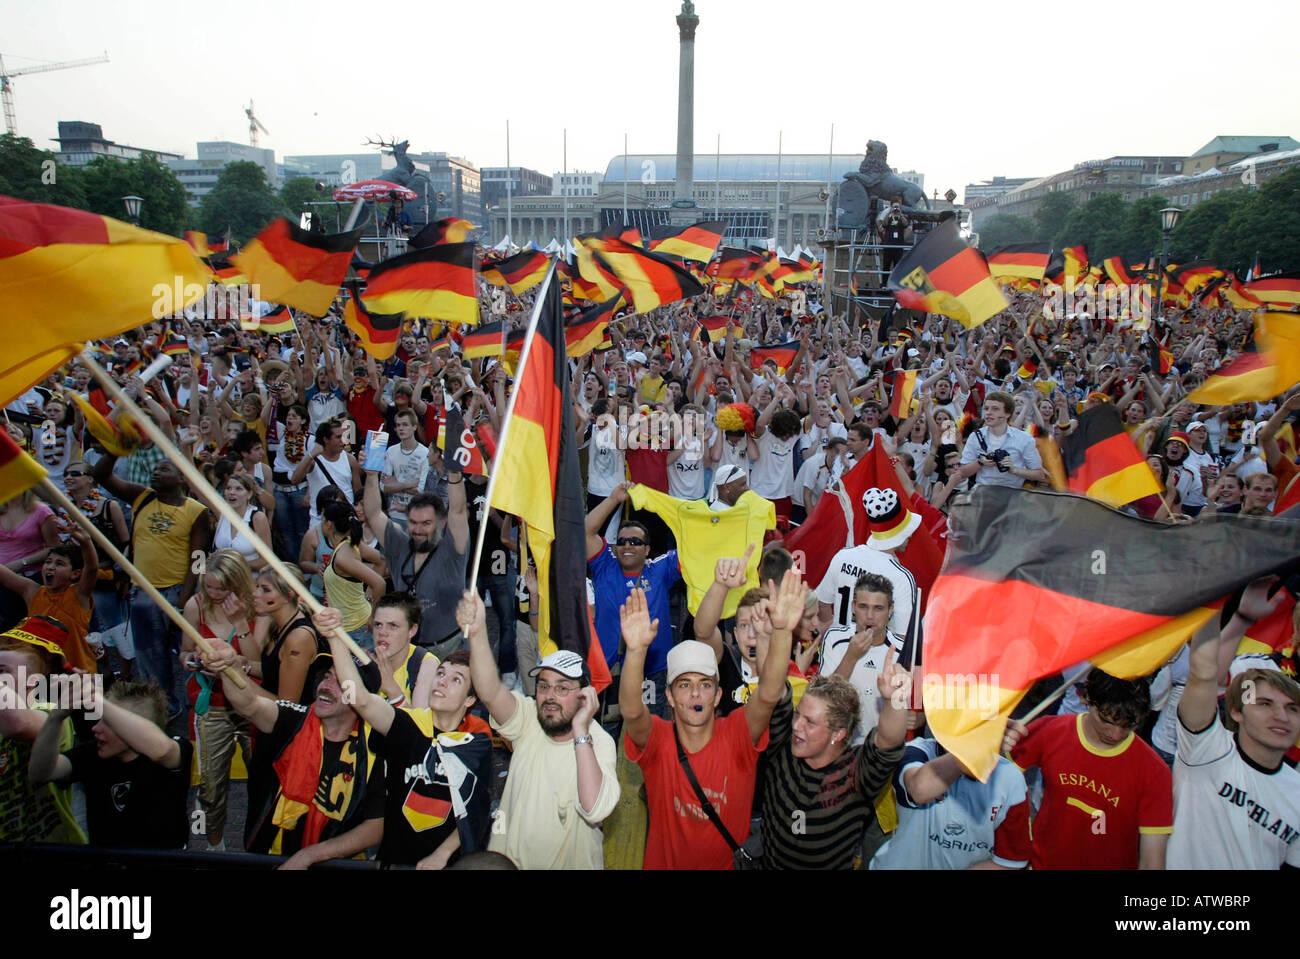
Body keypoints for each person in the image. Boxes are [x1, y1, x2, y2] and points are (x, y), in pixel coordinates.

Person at [620, 569, 806, 869]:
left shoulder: (736, 736)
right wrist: (636, 651)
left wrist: (782, 631)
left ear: (718, 696)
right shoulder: (658, 740)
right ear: (669, 697)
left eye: (705, 684)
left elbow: (770, 694)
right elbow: (631, 711)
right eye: (684, 684)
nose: (695, 694)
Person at [313, 605, 492, 869]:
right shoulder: (409, 725)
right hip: (396, 860)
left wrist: (442, 855)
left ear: (470, 699)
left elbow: (476, 808)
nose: (441, 681)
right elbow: (358, 698)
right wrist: (335, 637)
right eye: (441, 673)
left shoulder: (475, 743)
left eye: (456, 680)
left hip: (447, 864)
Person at [458, 589, 619, 869]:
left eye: (562, 688)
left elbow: (594, 809)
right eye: (543, 686)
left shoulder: (599, 742)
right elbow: (491, 692)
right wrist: (478, 631)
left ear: (585, 695)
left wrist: (581, 730)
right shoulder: (530, 718)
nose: (549, 696)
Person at [201, 637, 385, 864]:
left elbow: (375, 827)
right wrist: (229, 667)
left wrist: (309, 856)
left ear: (362, 698)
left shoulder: (375, 749)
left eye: (340, 683)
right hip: (270, 858)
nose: (325, 686)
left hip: (334, 864)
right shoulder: (294, 720)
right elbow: (249, 704)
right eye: (326, 676)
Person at [1167, 579, 1300, 868]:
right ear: (1236, 712)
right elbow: (1205, 674)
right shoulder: (1205, 751)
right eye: (1265, 704)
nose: (1281, 716)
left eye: (1293, 709)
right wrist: (1240, 616)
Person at [1007, 668, 1173, 869]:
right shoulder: (1051, 731)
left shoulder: (1155, 771)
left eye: (1128, 726)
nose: (1115, 733)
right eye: (1106, 720)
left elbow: (1152, 860)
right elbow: (996, 777)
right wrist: (999, 743)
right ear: (1086, 699)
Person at [93, 453, 210, 718]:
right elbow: (101, 475)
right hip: (142, 592)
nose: (156, 472)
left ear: (181, 478)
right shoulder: (142, 497)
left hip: (176, 592)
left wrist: (183, 603)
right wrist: (115, 448)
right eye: (155, 469)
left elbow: (198, 559)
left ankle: (199, 711)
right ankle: (162, 709)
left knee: (188, 655)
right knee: (148, 657)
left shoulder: (196, 512)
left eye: (164, 468)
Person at [761, 666, 912, 870]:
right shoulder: (783, 746)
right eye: (797, 715)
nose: (796, 725)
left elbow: (888, 742)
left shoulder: (855, 774)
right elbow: (773, 683)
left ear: (838, 734)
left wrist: (896, 698)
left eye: (810, 722)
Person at [29, 678, 193, 849]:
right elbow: (41, 774)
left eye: (109, 722)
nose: (95, 728)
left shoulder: (177, 748)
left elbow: (162, 751)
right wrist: (56, 717)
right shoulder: (92, 754)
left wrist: (97, 700)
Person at [180, 549, 255, 850]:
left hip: (250, 705)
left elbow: (257, 662)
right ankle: (215, 847)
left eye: (220, 588)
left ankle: (257, 844)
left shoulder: (253, 606)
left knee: (263, 778)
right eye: (208, 585)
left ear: (237, 583)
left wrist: (239, 634)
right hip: (210, 706)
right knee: (210, 788)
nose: (212, 593)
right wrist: (191, 660)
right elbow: (185, 651)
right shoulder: (194, 606)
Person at [585, 486, 682, 717]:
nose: (627, 546)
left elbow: (694, 547)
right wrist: (613, 499)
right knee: (608, 736)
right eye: (622, 541)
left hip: (653, 672)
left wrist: (670, 508)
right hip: (609, 671)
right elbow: (586, 532)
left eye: (635, 542)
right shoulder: (603, 567)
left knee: (652, 736)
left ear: (647, 549)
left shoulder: (661, 570)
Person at [870, 731, 1031, 870]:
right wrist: (973, 750)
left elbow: (1009, 863)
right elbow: (920, 789)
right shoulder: (917, 751)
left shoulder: (1010, 779)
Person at [364, 453, 468, 659]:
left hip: (450, 649)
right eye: (413, 522)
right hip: (408, 650)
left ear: (441, 523)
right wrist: (370, 475)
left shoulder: (453, 549)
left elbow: (457, 511)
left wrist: (455, 474)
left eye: (426, 524)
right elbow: (374, 513)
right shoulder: (398, 545)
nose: (418, 530)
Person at [0, 619, 85, 844]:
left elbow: (17, 724)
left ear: (33, 681)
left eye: (2, 672)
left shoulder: (49, 712)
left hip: (52, 848)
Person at [819, 573, 905, 744]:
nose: (870, 616)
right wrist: (851, 657)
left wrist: (918, 717)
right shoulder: (835, 639)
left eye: (878, 608)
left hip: (880, 751)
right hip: (839, 745)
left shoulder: (903, 650)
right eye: (863, 607)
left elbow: (917, 708)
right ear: (853, 606)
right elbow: (823, 699)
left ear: (891, 610)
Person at [0, 530, 98, 673]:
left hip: (79, 674)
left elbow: (92, 569)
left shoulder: (79, 594)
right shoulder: (32, 591)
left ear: (75, 574)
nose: (50, 567)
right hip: (43, 675)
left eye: (59, 564)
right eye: (48, 562)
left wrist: (86, 542)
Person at [246, 565, 326, 707]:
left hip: (290, 726)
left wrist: (237, 679)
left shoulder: (298, 638)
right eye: (257, 587)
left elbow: (287, 706)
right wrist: (240, 665)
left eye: (265, 590)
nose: (255, 594)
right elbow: (274, 671)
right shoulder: (278, 624)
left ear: (289, 595)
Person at [319, 502, 385, 652]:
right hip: (351, 626)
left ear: (329, 524)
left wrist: (374, 615)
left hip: (355, 630)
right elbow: (382, 560)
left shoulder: (344, 556)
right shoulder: (350, 544)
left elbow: (380, 584)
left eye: (322, 520)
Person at [956, 391, 1045, 488]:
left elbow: (1039, 475)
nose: (989, 413)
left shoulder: (1024, 438)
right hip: (982, 493)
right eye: (986, 408)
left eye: (995, 409)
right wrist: (980, 462)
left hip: (1013, 495)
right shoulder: (975, 437)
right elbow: (962, 472)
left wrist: (1014, 470)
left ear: (1007, 414)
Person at [369, 592, 440, 708]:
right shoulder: (364, 660)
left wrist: (391, 689)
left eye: (393, 626)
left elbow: (418, 724)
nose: (382, 632)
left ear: (412, 630)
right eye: (378, 625)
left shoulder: (424, 664)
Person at [292, 419, 361, 528]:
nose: (342, 440)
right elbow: (294, 480)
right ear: (326, 439)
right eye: (338, 437)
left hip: (345, 518)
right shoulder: (314, 460)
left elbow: (357, 491)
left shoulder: (350, 459)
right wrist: (311, 455)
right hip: (320, 520)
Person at [212, 472, 272, 571]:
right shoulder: (222, 512)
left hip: (249, 579)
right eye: (228, 488)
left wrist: (234, 566)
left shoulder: (257, 518)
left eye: (238, 489)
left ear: (249, 494)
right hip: (223, 580)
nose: (232, 492)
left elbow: (267, 560)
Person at [381, 408, 429, 531]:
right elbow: (384, 486)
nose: (401, 428)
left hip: (416, 516)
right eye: (398, 425)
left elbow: (421, 490)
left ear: (414, 427)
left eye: (405, 425)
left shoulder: (425, 453)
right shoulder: (391, 451)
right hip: (394, 514)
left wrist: (396, 483)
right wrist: (409, 484)